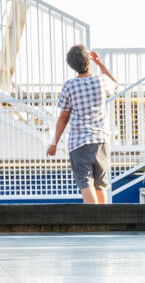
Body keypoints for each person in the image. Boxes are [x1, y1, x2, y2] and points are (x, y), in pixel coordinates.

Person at [46, 44, 118, 204]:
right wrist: (100, 64)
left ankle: (94, 225)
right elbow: (115, 84)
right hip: (101, 140)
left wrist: (54, 142)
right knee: (101, 185)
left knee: (86, 184)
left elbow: (63, 117)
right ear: (89, 61)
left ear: (71, 65)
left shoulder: (69, 86)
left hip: (79, 143)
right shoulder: (101, 81)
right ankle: (105, 225)